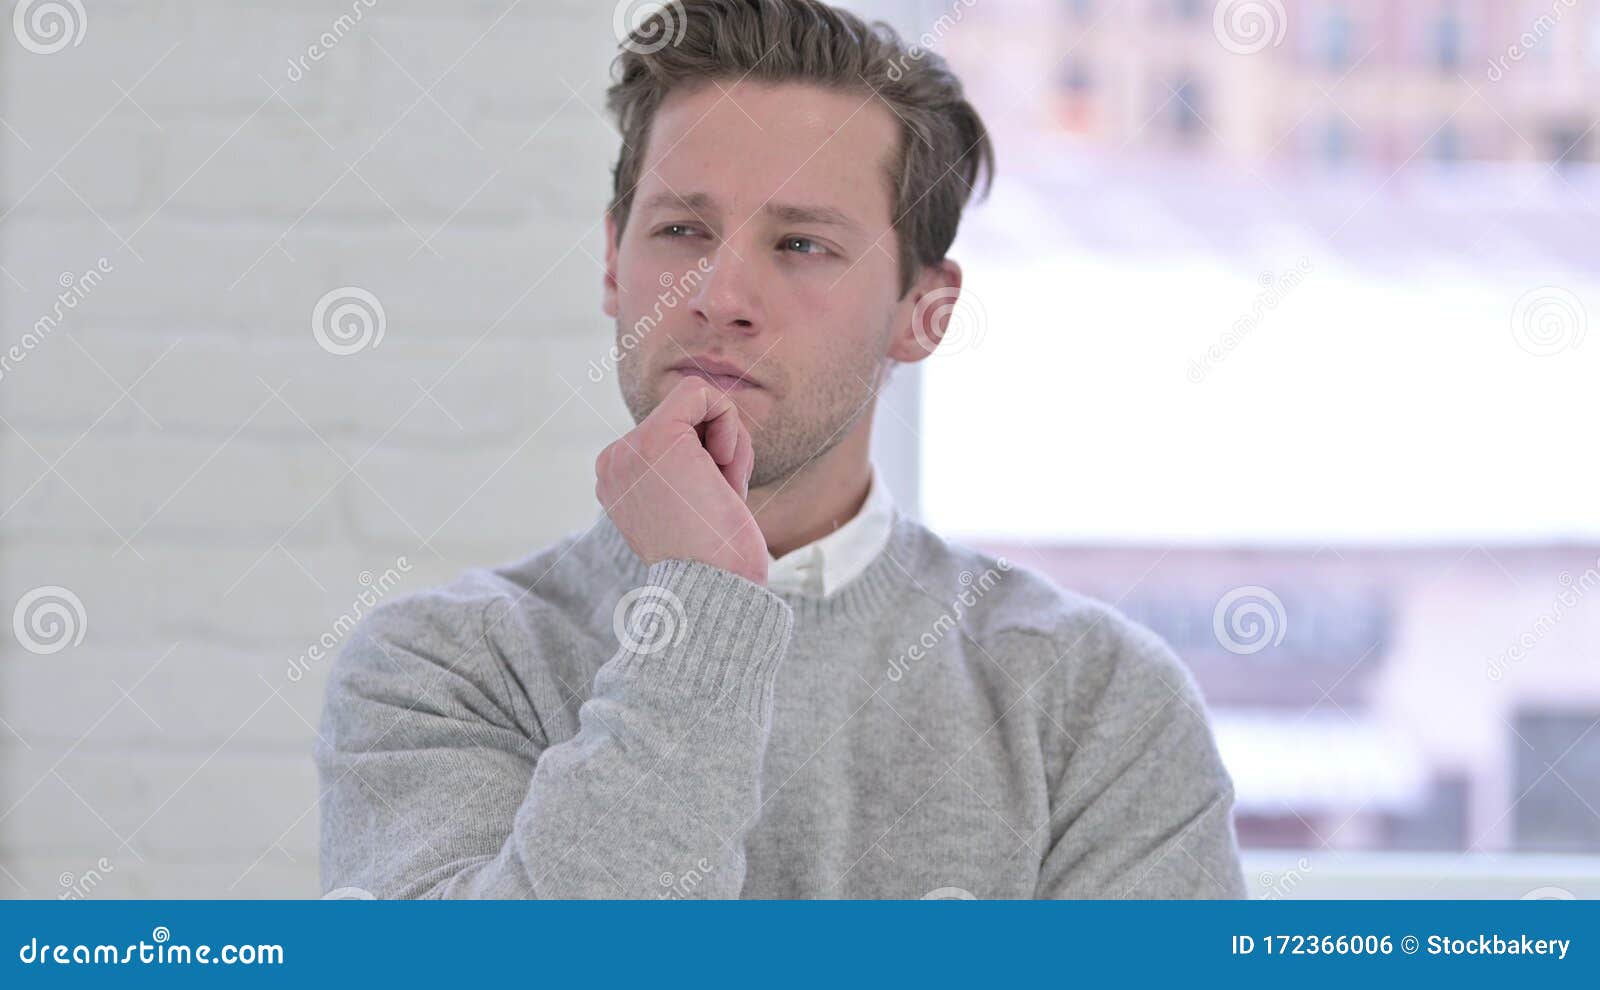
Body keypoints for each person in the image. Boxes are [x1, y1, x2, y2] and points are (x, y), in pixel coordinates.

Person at [315, 0, 1247, 899]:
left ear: (925, 310)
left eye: (801, 244)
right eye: (682, 230)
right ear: (611, 260)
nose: (720, 297)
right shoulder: (441, 667)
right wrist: (701, 610)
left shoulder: (1096, 701)